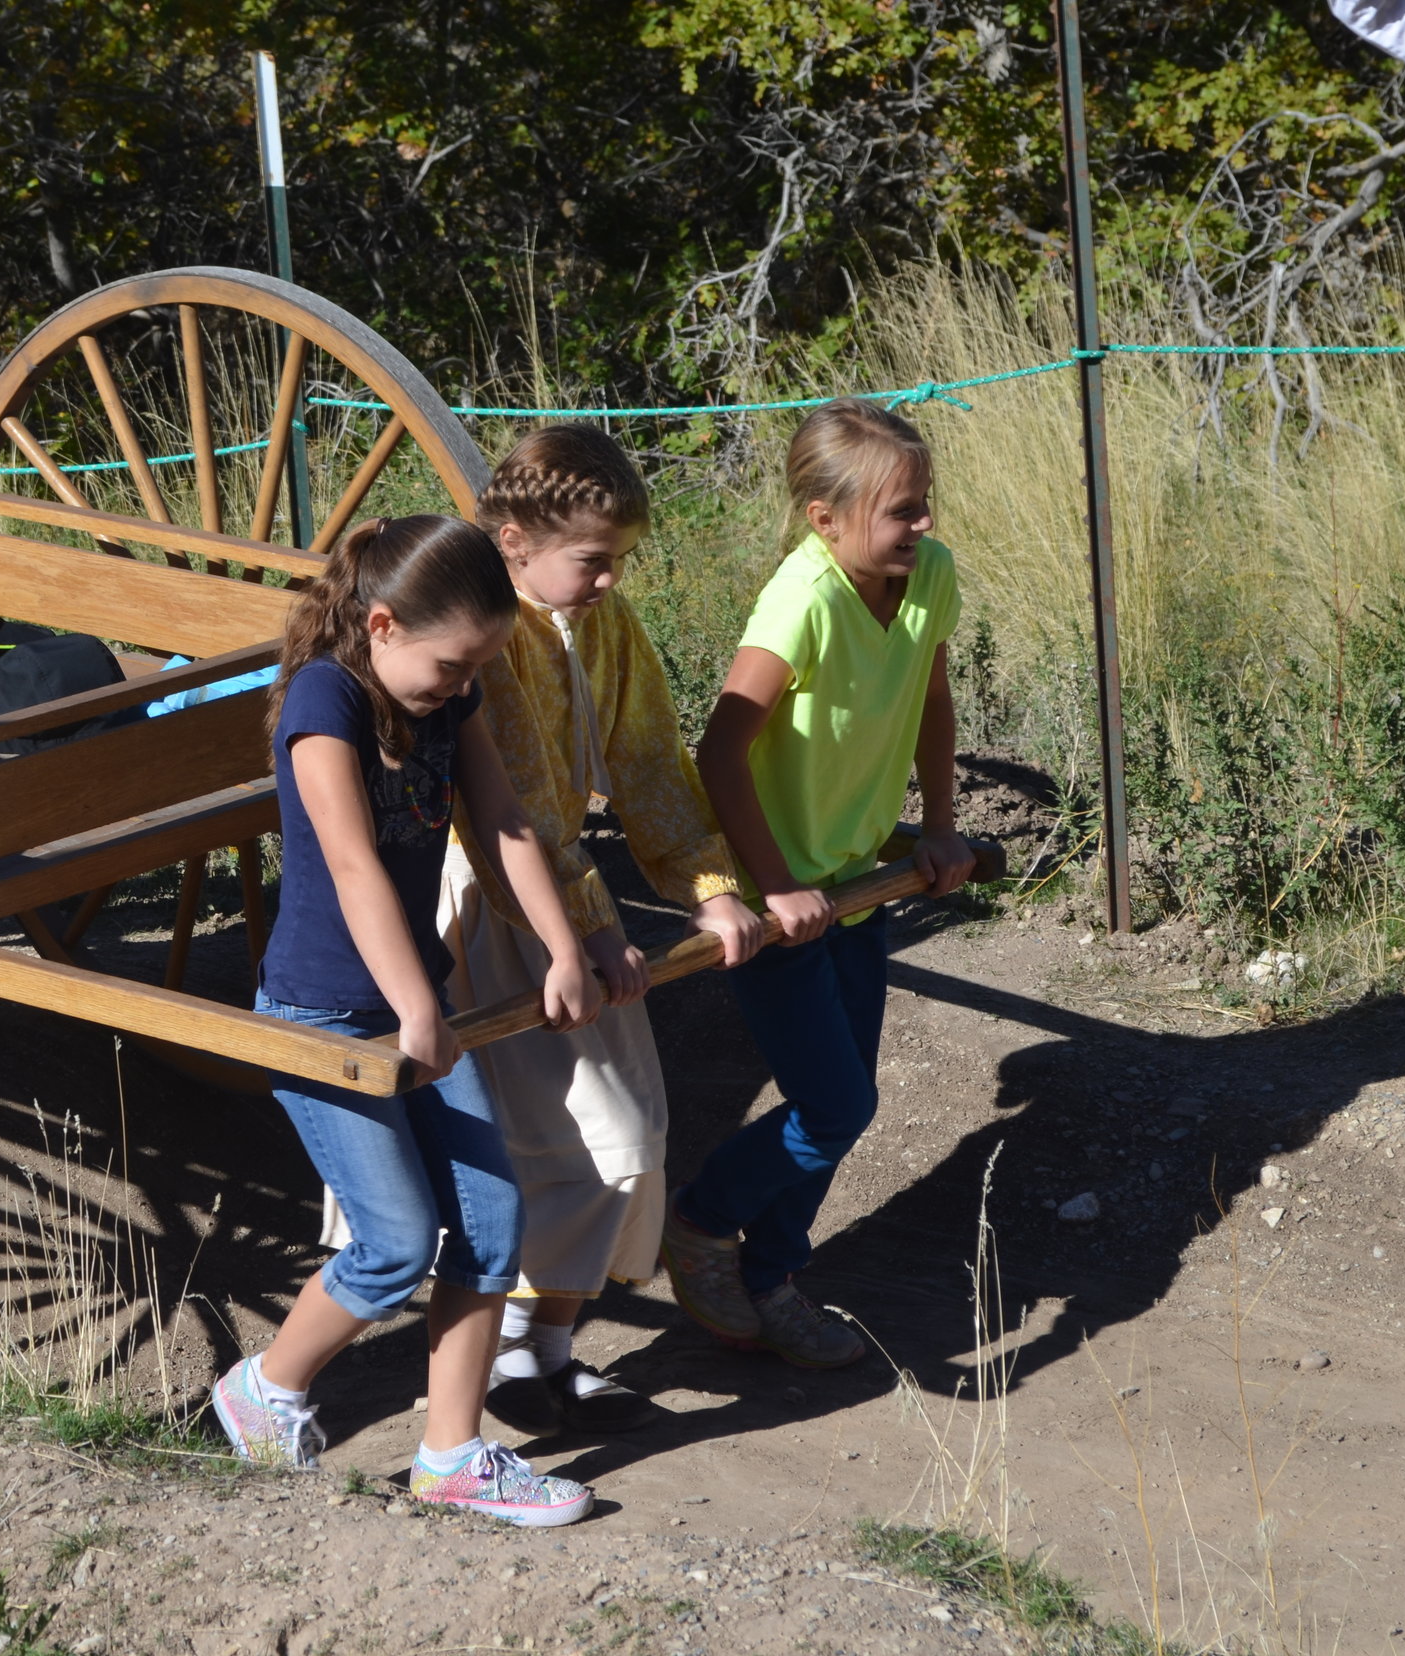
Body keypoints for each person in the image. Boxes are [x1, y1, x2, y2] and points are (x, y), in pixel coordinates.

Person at [211, 514, 598, 1528]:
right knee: (391, 1242)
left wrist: (563, 945)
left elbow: (504, 822)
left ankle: (452, 1455)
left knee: (489, 1223)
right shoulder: (322, 701)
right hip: (320, 1015)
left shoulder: (448, 694)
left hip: (417, 1003)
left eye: (476, 665)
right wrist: (419, 1008)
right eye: (448, 664)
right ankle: (264, 1393)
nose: (459, 682)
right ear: (380, 625)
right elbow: (350, 866)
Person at [426, 427, 768, 1437]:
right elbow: (512, 812)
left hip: (566, 895)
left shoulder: (602, 624)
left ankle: (547, 1352)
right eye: (591, 559)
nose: (611, 579)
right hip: (489, 901)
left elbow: (651, 759)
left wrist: (707, 887)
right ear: (513, 538)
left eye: (619, 558)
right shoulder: (490, 635)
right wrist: (582, 934)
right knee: (547, 1141)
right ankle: (494, 1362)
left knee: (630, 1139)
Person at [663, 398, 976, 1368]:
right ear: (823, 519)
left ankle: (769, 1280)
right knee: (837, 1106)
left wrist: (936, 827)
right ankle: (705, 1224)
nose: (921, 525)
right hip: (783, 899)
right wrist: (773, 884)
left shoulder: (926, 577)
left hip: (856, 885)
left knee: (836, 1099)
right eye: (900, 511)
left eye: (923, 504)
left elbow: (929, 700)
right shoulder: (799, 602)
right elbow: (719, 753)